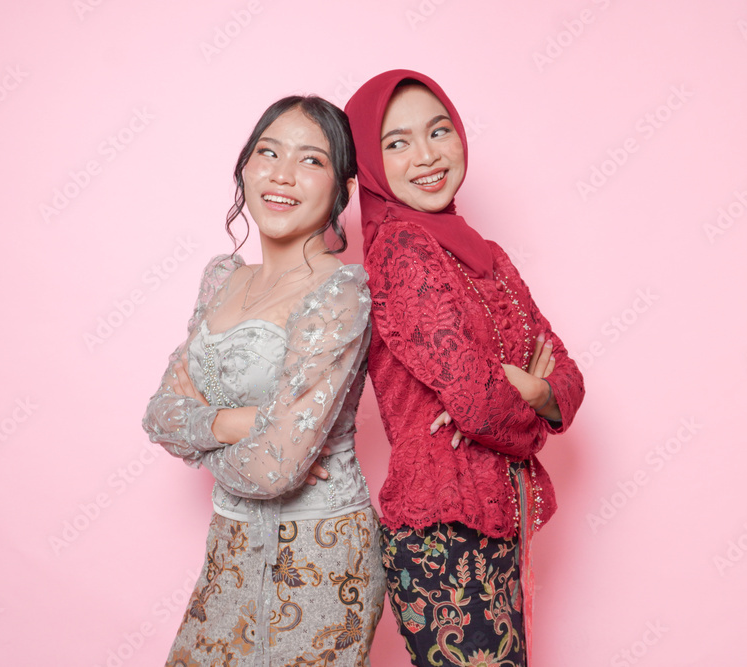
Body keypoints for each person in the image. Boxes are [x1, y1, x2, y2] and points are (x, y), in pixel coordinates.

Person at [344, 70, 585, 666]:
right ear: (371, 163)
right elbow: (479, 401)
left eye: (438, 131)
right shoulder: (401, 251)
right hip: (441, 538)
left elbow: (569, 375)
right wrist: (529, 417)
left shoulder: (484, 252)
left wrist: (534, 389)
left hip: (500, 520)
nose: (426, 156)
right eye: (396, 142)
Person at [142, 95, 385, 666]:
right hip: (229, 546)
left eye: (310, 160)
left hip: (320, 557)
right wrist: (247, 423)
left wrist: (205, 438)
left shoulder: (340, 292)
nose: (281, 175)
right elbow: (157, 414)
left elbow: (274, 470)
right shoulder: (222, 279)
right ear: (245, 166)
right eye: (267, 152)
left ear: (340, 186)